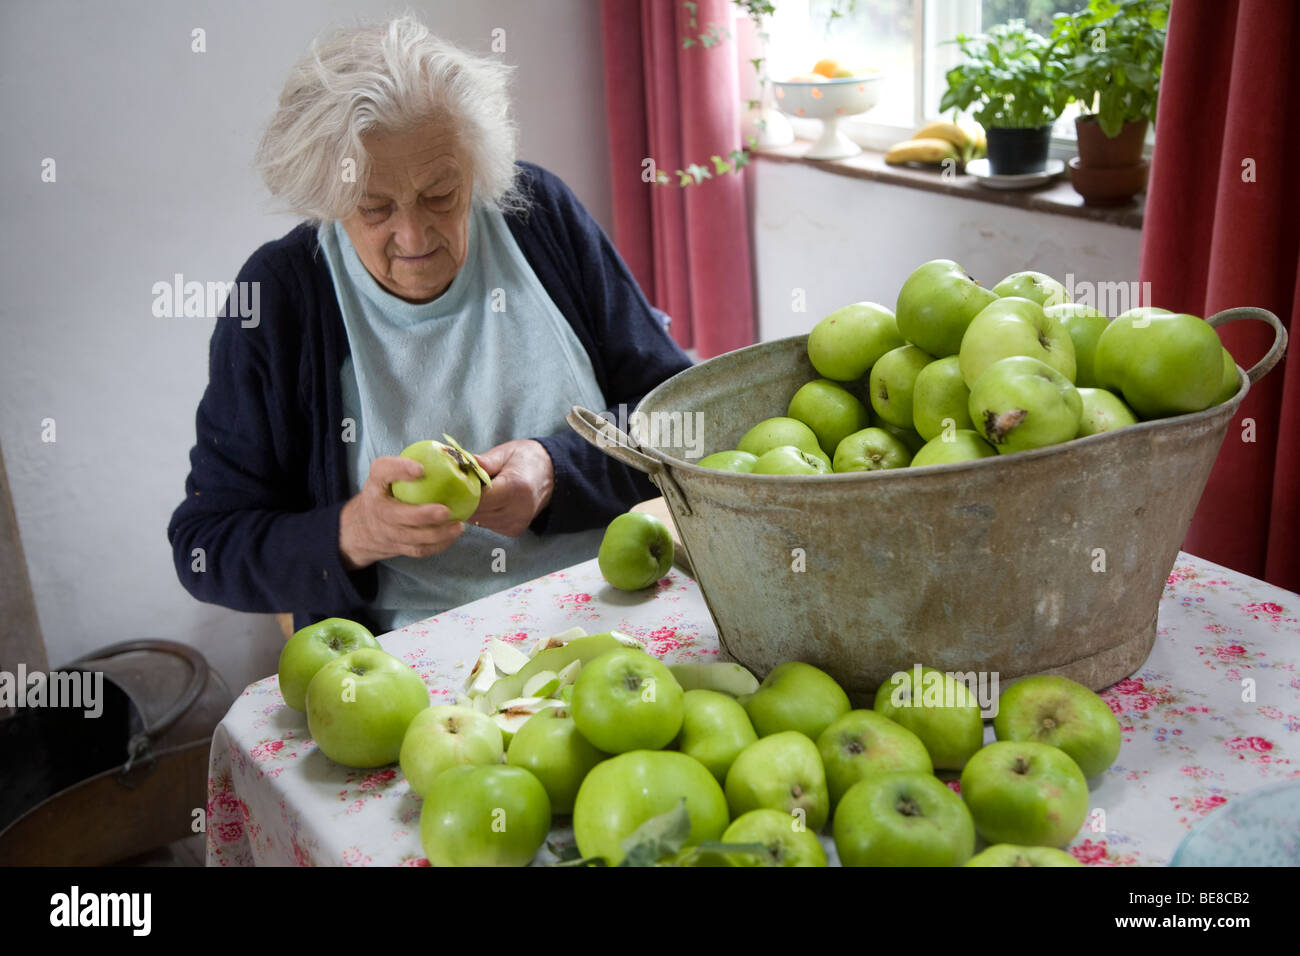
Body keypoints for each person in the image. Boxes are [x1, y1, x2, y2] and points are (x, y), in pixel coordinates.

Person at [168, 16, 692, 636]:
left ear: (476, 167)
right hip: (414, 656)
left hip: (611, 597)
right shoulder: (281, 297)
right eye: (375, 207)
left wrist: (555, 469)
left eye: (441, 194)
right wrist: (354, 532)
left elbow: (683, 417)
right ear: (325, 197)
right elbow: (206, 546)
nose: (413, 236)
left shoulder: (538, 217)